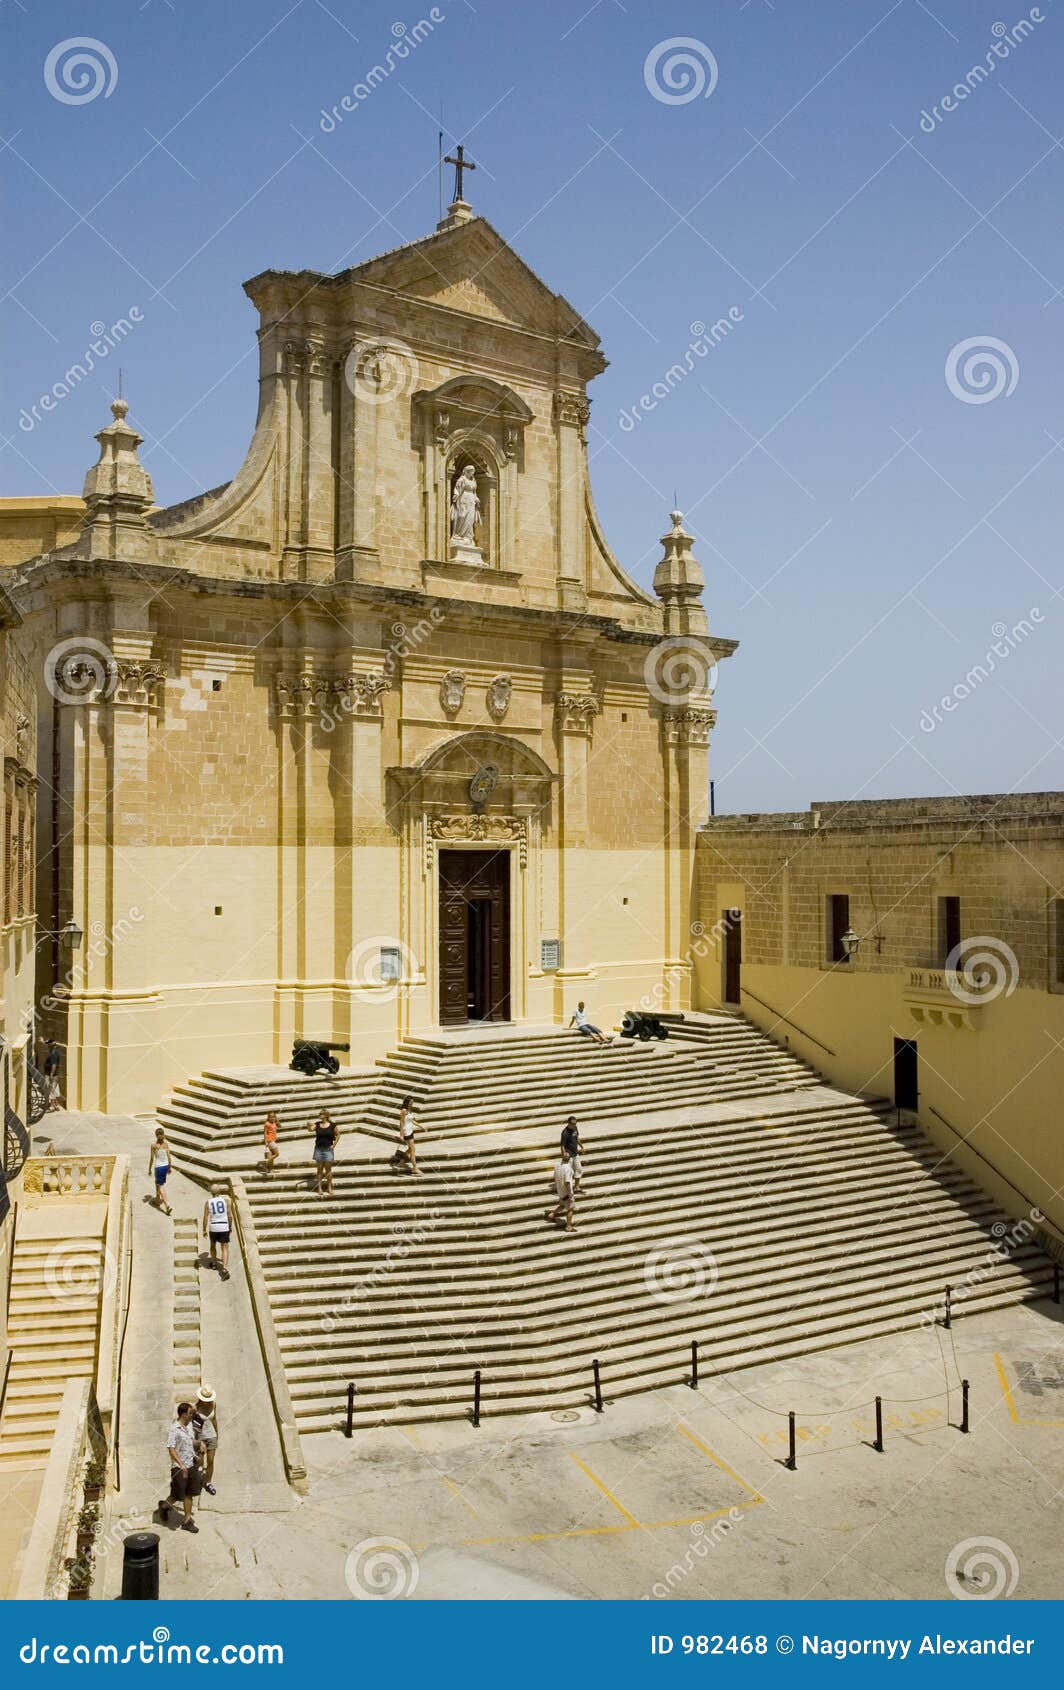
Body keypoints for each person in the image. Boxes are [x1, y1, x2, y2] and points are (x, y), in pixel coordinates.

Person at [158, 1402, 202, 1532]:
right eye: (190, 1413)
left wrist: (199, 1446)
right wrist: (181, 1465)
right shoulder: (174, 1429)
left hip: (191, 1465)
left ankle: (187, 1521)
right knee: (176, 1495)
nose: (192, 1416)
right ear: (183, 1414)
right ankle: (164, 1506)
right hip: (179, 1468)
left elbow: (190, 1442)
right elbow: (171, 1449)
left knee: (189, 1493)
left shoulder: (189, 1427)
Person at [191, 1384, 220, 1496]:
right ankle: (198, 1480)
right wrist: (197, 1441)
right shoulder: (195, 1408)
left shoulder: (213, 1405)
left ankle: (208, 1482)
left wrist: (217, 1433)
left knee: (211, 1461)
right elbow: (194, 1426)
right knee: (200, 1461)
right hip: (201, 1437)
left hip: (212, 1436)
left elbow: (214, 1419)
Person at [202, 1184, 232, 1279]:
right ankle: (224, 1268)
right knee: (225, 1248)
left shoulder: (208, 1203)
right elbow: (230, 1216)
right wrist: (230, 1227)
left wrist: (204, 1229)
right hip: (224, 1226)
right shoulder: (226, 1201)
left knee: (212, 1245)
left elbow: (205, 1218)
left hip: (214, 1227)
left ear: (211, 1192)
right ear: (219, 1192)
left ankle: (214, 1263)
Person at [545, 1149, 577, 1234]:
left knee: (562, 1205)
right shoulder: (568, 1169)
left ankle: (551, 1215)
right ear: (570, 1159)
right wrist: (570, 1194)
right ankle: (568, 1226)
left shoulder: (557, 1166)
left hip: (560, 1190)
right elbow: (567, 1182)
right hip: (566, 1192)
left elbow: (555, 1177)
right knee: (570, 1209)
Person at [309, 1110, 338, 1196]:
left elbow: (338, 1135)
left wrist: (334, 1145)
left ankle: (329, 1187)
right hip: (318, 1149)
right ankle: (319, 1188)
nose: (319, 1115)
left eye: (321, 1114)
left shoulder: (332, 1125)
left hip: (328, 1149)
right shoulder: (317, 1124)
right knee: (319, 1169)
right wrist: (308, 1125)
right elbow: (310, 1130)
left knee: (328, 1170)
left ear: (326, 1115)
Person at [391, 1095, 421, 1176]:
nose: (411, 1104)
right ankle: (414, 1168)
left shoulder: (410, 1109)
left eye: (412, 1102)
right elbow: (401, 1122)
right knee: (412, 1149)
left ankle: (402, 1161)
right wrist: (401, 1135)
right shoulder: (404, 1110)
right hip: (406, 1132)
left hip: (411, 1131)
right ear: (407, 1102)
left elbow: (412, 1121)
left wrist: (421, 1126)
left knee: (411, 1149)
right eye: (410, 1102)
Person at [148, 1127, 173, 1215]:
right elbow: (169, 1157)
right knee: (158, 1183)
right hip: (165, 1166)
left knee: (160, 1186)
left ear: (156, 1135)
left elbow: (152, 1159)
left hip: (158, 1167)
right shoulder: (166, 1145)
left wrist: (149, 1169)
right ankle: (158, 1200)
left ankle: (167, 1205)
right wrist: (169, 1167)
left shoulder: (154, 1146)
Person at [560, 1117, 583, 1194]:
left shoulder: (575, 1128)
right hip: (568, 1155)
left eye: (575, 1123)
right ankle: (567, 1190)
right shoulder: (565, 1132)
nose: (574, 1125)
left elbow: (577, 1138)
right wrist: (564, 1154)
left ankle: (576, 1187)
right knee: (568, 1173)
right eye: (572, 1124)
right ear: (568, 1123)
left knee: (579, 1169)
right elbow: (562, 1146)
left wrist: (581, 1146)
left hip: (575, 1153)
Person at [262, 1110, 280, 1177]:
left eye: (273, 1117)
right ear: (268, 1117)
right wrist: (266, 1142)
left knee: (272, 1155)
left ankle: (270, 1169)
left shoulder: (274, 1122)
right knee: (277, 1153)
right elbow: (265, 1133)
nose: (272, 1118)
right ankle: (267, 1163)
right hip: (270, 1141)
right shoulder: (267, 1124)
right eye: (270, 1117)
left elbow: (280, 1126)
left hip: (273, 1140)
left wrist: (277, 1120)